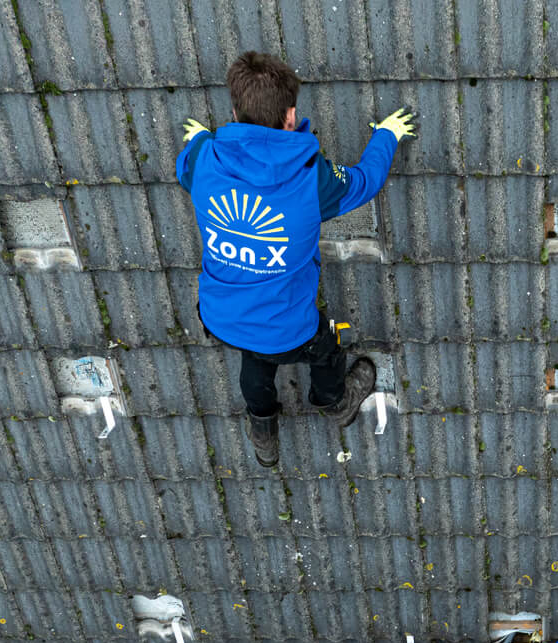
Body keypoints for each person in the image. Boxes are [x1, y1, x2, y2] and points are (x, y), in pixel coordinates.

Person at [175, 51, 417, 466]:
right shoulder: (311, 179)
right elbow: (364, 181)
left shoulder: (203, 160)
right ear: (290, 116)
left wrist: (200, 138)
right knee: (326, 352)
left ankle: (263, 431)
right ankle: (335, 402)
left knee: (254, 360)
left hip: (220, 317)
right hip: (289, 327)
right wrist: (387, 135)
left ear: (234, 111)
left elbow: (189, 164)